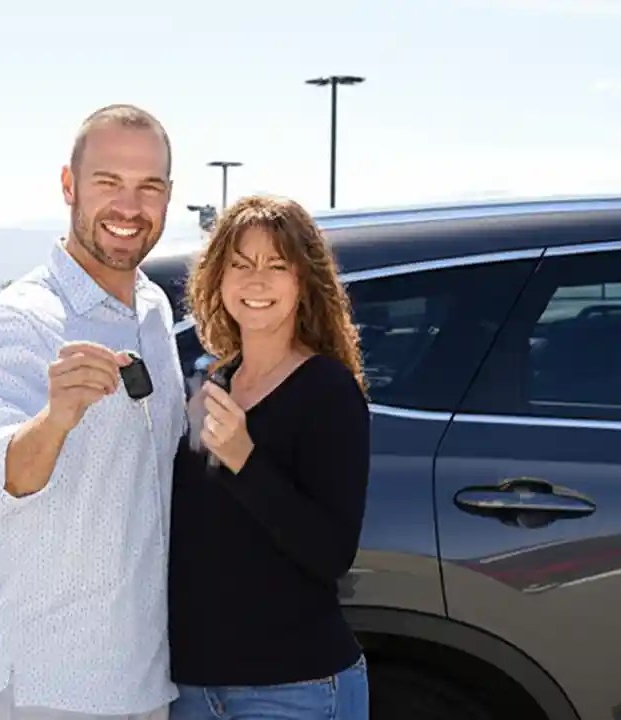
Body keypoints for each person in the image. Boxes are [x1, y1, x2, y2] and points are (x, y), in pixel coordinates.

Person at [0, 104, 185, 720]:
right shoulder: (24, 317)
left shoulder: (154, 308)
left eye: (149, 187)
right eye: (108, 183)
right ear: (69, 186)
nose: (129, 207)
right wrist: (55, 419)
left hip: (145, 673)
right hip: (53, 682)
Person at [167, 194, 372, 719]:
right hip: (192, 688)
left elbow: (332, 553)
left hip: (293, 688)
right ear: (218, 280)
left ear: (304, 283)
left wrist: (246, 461)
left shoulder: (328, 390)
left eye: (277, 266)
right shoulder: (212, 385)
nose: (256, 282)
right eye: (241, 265)